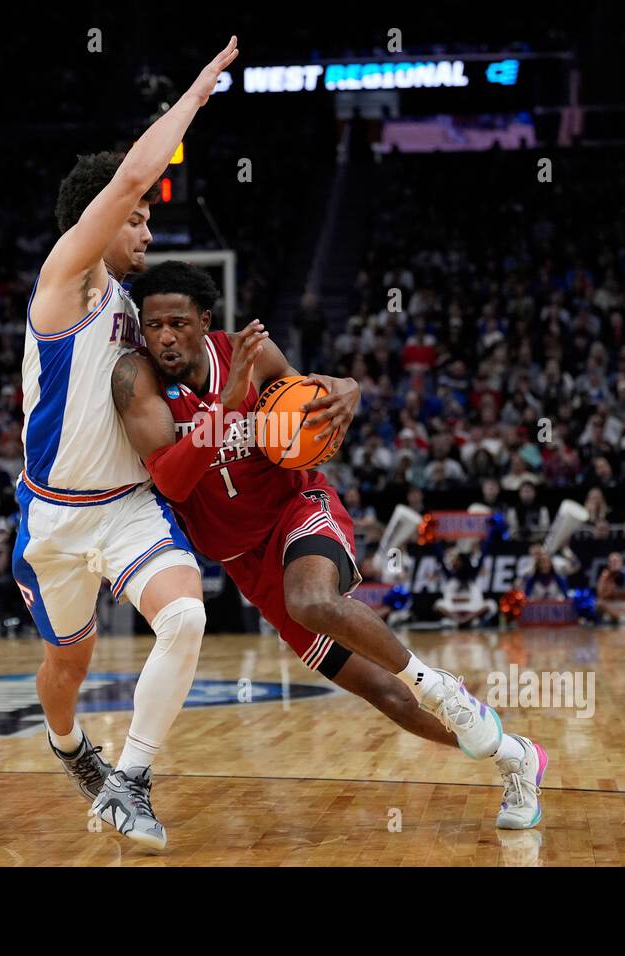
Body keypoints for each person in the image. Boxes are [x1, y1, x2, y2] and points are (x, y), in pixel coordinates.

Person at [116, 260, 547, 830]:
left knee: (313, 601)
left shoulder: (252, 353)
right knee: (387, 698)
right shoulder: (138, 382)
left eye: (177, 322)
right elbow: (171, 481)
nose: (165, 336)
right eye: (153, 326)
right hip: (245, 559)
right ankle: (515, 756)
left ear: (204, 321)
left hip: (299, 510)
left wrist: (344, 391)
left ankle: (442, 688)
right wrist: (225, 407)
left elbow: (312, 409)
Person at [15, 39, 237, 850]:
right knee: (65, 670)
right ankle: (69, 745)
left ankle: (132, 779)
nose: (146, 228)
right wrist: (197, 95)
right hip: (53, 519)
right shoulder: (64, 280)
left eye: (147, 221)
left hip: (127, 510)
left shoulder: (135, 308)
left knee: (185, 614)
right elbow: (132, 176)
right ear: (97, 220)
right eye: (135, 219)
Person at [595, 552, 625, 622]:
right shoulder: (605, 575)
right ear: (608, 564)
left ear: (622, 562)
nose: (614, 563)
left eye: (616, 561)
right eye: (611, 561)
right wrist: (610, 591)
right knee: (599, 604)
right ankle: (619, 617)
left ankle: (617, 617)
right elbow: (600, 595)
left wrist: (621, 592)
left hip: (624, 604)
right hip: (610, 605)